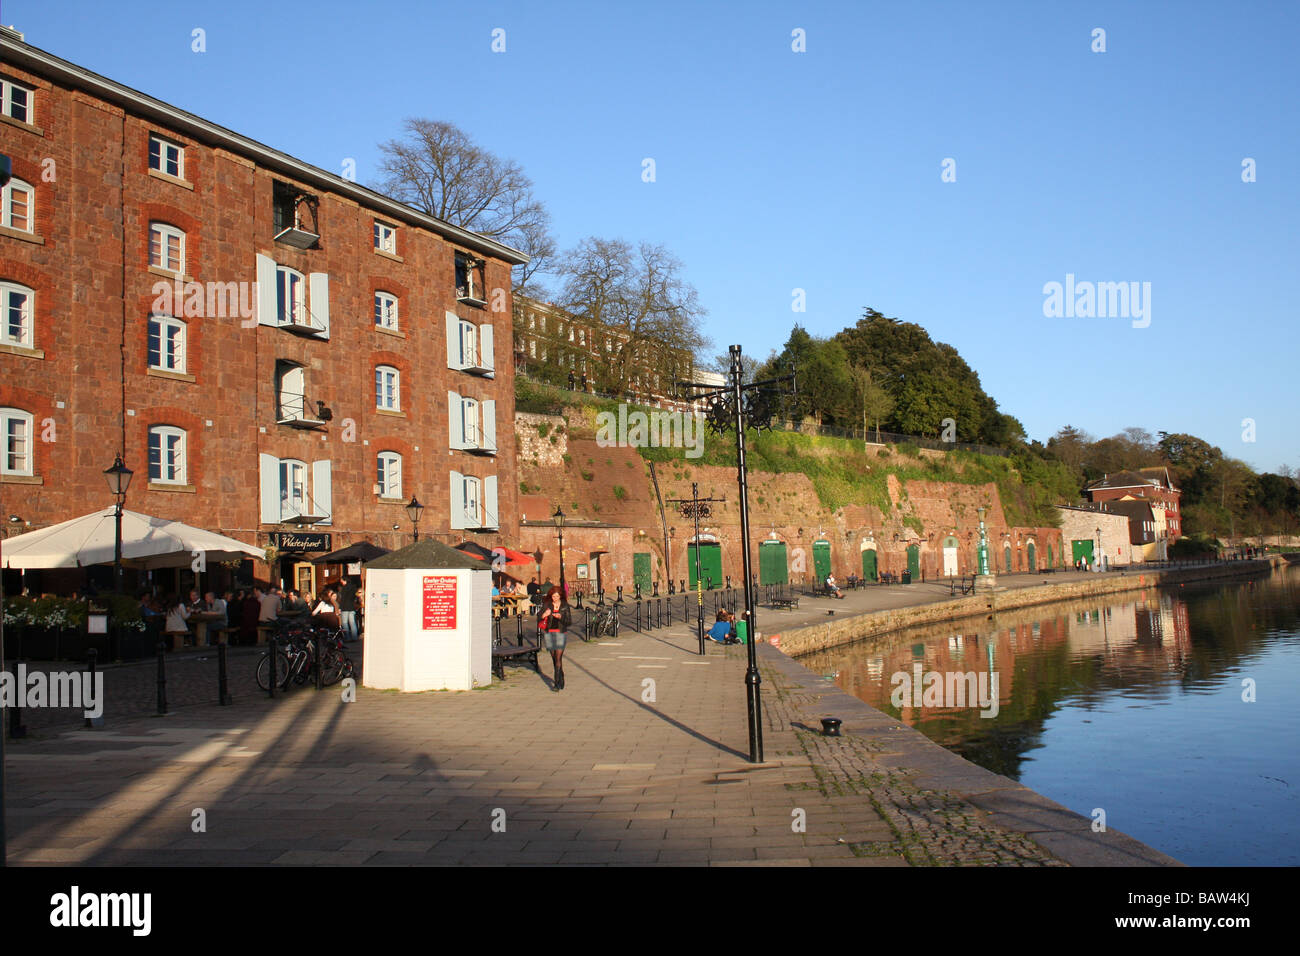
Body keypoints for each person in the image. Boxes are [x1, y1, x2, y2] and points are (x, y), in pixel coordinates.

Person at [537, 586, 572, 691]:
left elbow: (569, 621)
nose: (555, 598)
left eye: (557, 596)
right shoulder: (547, 605)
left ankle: (556, 683)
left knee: (558, 658)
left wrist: (561, 617)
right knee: (553, 657)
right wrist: (544, 614)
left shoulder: (565, 606)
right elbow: (538, 616)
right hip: (549, 632)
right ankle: (560, 675)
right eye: (553, 596)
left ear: (560, 596)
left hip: (560, 633)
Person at [338, 575, 360, 643]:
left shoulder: (344, 588)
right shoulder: (354, 587)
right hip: (352, 607)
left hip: (345, 607)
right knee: (352, 623)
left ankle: (347, 637)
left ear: (344, 580)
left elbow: (343, 599)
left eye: (341, 580)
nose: (341, 581)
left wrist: (340, 608)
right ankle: (354, 637)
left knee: (345, 623)